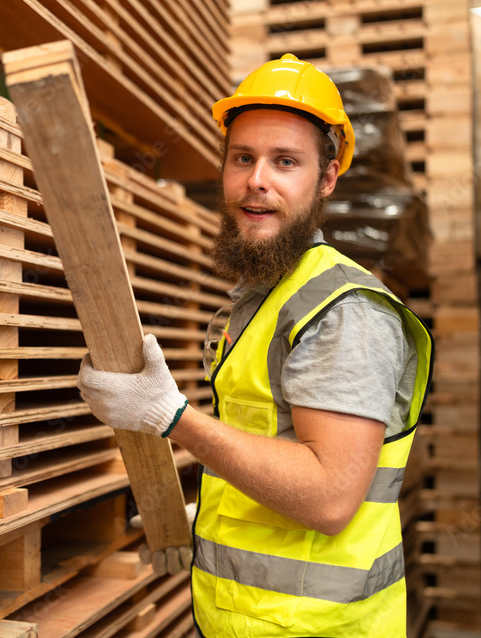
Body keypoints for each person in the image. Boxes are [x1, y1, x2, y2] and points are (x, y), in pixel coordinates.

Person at [77, 53, 435, 637]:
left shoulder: (344, 311)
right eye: (243, 158)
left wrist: (172, 419)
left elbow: (326, 498)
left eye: (285, 161)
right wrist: (207, 522)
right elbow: (271, 449)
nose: (256, 180)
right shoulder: (261, 299)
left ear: (327, 179)